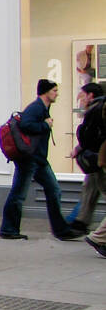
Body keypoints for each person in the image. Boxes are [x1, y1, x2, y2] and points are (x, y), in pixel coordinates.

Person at [0, 79, 84, 241]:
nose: (57, 94)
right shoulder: (36, 108)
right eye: (54, 91)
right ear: (45, 92)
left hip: (38, 159)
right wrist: (45, 125)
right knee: (19, 195)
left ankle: (61, 230)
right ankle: (9, 229)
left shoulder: (44, 108)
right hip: (29, 159)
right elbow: (25, 125)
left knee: (54, 190)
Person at [66, 82, 104, 228]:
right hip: (96, 159)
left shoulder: (96, 110)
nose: (80, 100)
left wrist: (78, 148)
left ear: (90, 96)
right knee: (90, 187)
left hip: (99, 158)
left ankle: (82, 222)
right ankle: (81, 221)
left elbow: (91, 137)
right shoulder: (96, 109)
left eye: (82, 96)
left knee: (99, 187)